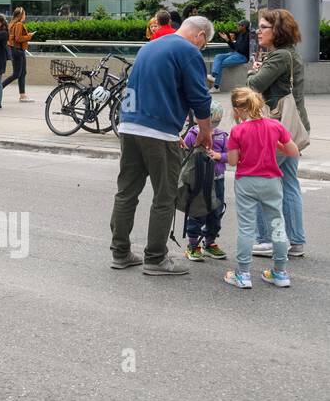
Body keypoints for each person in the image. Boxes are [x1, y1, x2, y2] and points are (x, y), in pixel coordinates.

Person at [108, 15, 214, 276]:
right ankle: (156, 258)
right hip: (158, 132)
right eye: (204, 44)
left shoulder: (150, 46)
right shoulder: (188, 51)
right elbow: (199, 96)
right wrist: (205, 131)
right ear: (200, 36)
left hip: (130, 125)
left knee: (126, 192)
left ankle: (120, 253)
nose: (201, 48)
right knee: (165, 196)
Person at [223, 87, 300, 289]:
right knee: (277, 225)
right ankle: (280, 272)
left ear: (237, 109)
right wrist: (278, 146)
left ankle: (243, 274)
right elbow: (294, 151)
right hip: (271, 181)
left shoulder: (237, 131)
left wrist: (240, 151)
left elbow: (232, 161)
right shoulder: (275, 126)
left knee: (247, 228)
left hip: (246, 181)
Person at [247, 8, 308, 260]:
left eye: (263, 27)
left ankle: (268, 240)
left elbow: (252, 87)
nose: (258, 31)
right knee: (289, 183)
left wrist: (253, 71)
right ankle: (295, 241)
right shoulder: (292, 55)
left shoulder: (279, 57)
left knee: (262, 181)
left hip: (276, 129)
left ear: (277, 31)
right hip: (294, 126)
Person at [182, 102, 228, 262]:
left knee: (216, 212)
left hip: (218, 180)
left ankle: (210, 242)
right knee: (197, 211)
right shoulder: (193, 134)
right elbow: (185, 154)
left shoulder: (222, 136)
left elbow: (230, 155)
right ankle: (193, 245)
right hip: (199, 181)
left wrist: (219, 156)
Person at [1, 7, 34, 102]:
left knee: (22, 73)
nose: (25, 16)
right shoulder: (19, 24)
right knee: (16, 74)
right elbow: (18, 38)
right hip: (18, 50)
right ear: (21, 15)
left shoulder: (11, 23)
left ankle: (22, 95)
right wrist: (29, 36)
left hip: (15, 49)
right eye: (24, 14)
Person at [209, 20, 250, 90]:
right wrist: (227, 40)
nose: (238, 27)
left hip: (243, 57)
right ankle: (213, 76)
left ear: (244, 26)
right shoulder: (240, 34)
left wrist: (234, 44)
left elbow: (242, 49)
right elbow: (235, 47)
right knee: (218, 56)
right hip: (235, 53)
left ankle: (216, 86)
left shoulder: (249, 36)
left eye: (239, 25)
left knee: (222, 63)